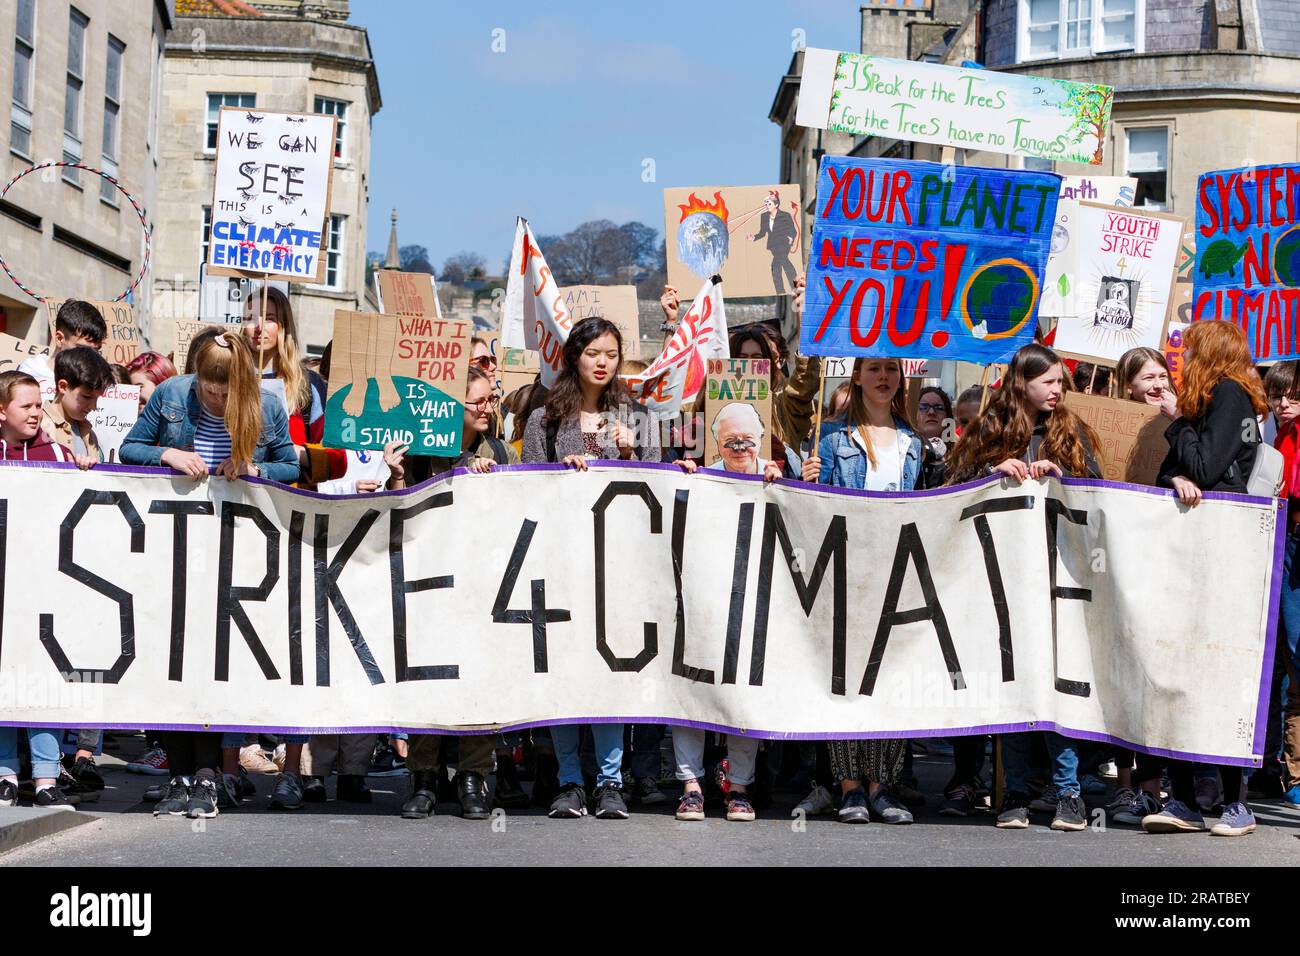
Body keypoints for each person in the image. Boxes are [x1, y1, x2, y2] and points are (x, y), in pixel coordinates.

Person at [946, 343, 1101, 832]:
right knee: (1012, 683)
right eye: (1049, 381)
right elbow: (950, 488)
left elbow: (1098, 489)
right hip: (1002, 579)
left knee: (1055, 685)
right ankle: (1013, 790)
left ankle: (1068, 792)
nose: (1058, 390)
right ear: (1023, 384)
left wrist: (1063, 476)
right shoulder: (990, 429)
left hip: (1058, 579)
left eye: (1061, 381)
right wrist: (991, 474)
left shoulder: (1069, 429)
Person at [521, 317, 660, 819]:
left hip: (617, 565)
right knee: (565, 671)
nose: (602, 362)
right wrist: (561, 472)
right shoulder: (545, 420)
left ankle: (609, 782)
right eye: (592, 353)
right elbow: (529, 487)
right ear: (574, 357)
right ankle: (569, 781)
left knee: (609, 671)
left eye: (611, 354)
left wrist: (627, 455)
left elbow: (655, 489)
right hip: (562, 561)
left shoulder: (637, 416)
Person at [1142, 320, 1268, 837]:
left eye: (1189, 351)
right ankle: (1192, 799)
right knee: (1186, 672)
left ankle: (1235, 803)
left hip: (1227, 555)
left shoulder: (1231, 396)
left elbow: (1208, 468)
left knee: (1224, 670)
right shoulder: (1209, 403)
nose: (1181, 359)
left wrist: (1176, 420)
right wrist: (1173, 474)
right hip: (1196, 556)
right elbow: (1174, 472)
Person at [799, 357, 935, 825]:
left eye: (891, 371)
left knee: (889, 680)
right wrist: (808, 483)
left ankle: (882, 787)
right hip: (844, 572)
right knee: (844, 681)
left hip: (896, 573)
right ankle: (850, 787)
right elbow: (809, 512)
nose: (884, 378)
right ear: (856, 376)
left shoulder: (913, 441)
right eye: (874, 369)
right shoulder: (831, 437)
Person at [1098, 347, 1176, 825]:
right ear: (1126, 387)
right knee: (1119, 670)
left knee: (1153, 672)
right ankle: (1124, 785)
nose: (1156, 382)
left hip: (1161, 559)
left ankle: (1153, 783)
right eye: (1146, 376)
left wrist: (1179, 420)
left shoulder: (1182, 420)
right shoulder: (1110, 425)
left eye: (1163, 374)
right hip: (1116, 560)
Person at [120, 331, 299, 483]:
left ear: (242, 385)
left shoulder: (268, 405)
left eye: (227, 394)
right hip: (180, 510)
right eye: (210, 392)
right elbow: (129, 449)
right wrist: (167, 455)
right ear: (198, 377)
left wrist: (254, 470)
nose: (218, 400)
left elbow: (291, 467)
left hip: (240, 514)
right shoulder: (170, 392)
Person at [243, 287, 346, 488]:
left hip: (288, 506)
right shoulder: (227, 377)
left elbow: (337, 461)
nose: (258, 326)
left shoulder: (308, 384)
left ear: (285, 325)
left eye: (270, 318)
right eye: (250, 317)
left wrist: (289, 451)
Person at [1263, 361, 1300, 807]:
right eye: (1277, 395)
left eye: (1292, 394)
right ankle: (1292, 770)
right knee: (1294, 656)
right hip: (1289, 545)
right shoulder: (1280, 437)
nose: (1283, 403)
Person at [40, 346, 112, 469]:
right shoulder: (39, 427)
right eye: (87, 397)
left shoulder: (88, 432)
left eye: (97, 399)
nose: (94, 407)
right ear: (63, 386)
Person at [19, 299, 106, 394]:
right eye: (82, 349)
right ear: (59, 339)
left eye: (96, 351)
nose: (90, 357)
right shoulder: (30, 374)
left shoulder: (100, 380)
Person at [0, 370, 86, 465]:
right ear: (1, 412)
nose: (35, 413)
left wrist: (84, 471)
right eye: (26, 406)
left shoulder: (60, 455)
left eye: (38, 406)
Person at [748, 189, 799, 293]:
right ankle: (791, 288)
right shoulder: (764, 217)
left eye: (769, 203)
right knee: (783, 264)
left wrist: (791, 238)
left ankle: (784, 290)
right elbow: (762, 233)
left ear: (776, 205)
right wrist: (754, 238)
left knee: (777, 265)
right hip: (773, 246)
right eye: (766, 203)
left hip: (784, 244)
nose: (766, 205)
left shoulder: (785, 215)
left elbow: (793, 230)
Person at [916, 385, 953, 455]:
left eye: (939, 408)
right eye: (923, 407)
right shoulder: (903, 452)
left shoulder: (960, 456)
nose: (931, 412)